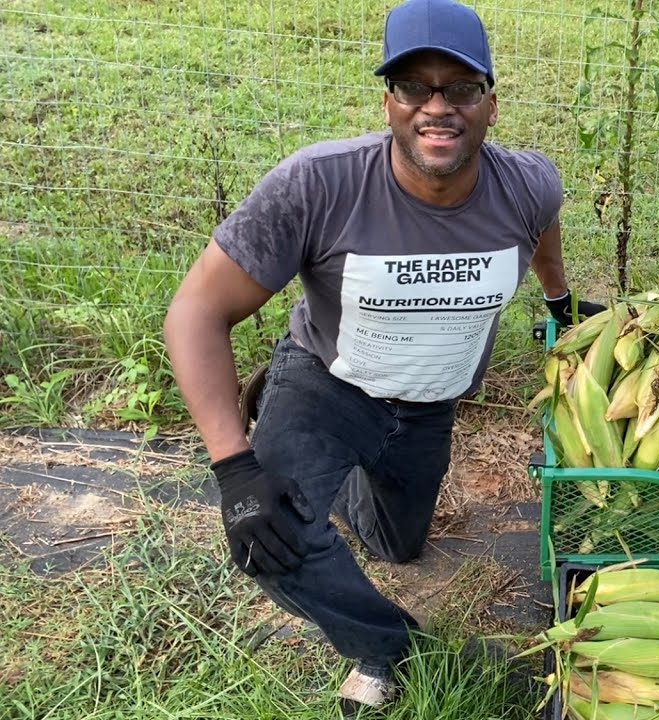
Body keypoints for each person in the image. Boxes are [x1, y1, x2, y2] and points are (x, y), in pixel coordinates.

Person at [163, 0, 603, 713]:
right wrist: (237, 468)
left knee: (398, 546)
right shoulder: (319, 185)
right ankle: (400, 652)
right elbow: (194, 312)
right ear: (388, 101)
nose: (437, 107)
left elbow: (544, 226)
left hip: (431, 404)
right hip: (327, 385)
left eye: (460, 88)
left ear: (491, 103)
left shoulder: (528, 184)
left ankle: (329, 481)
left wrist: (557, 300)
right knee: (273, 539)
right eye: (413, 88)